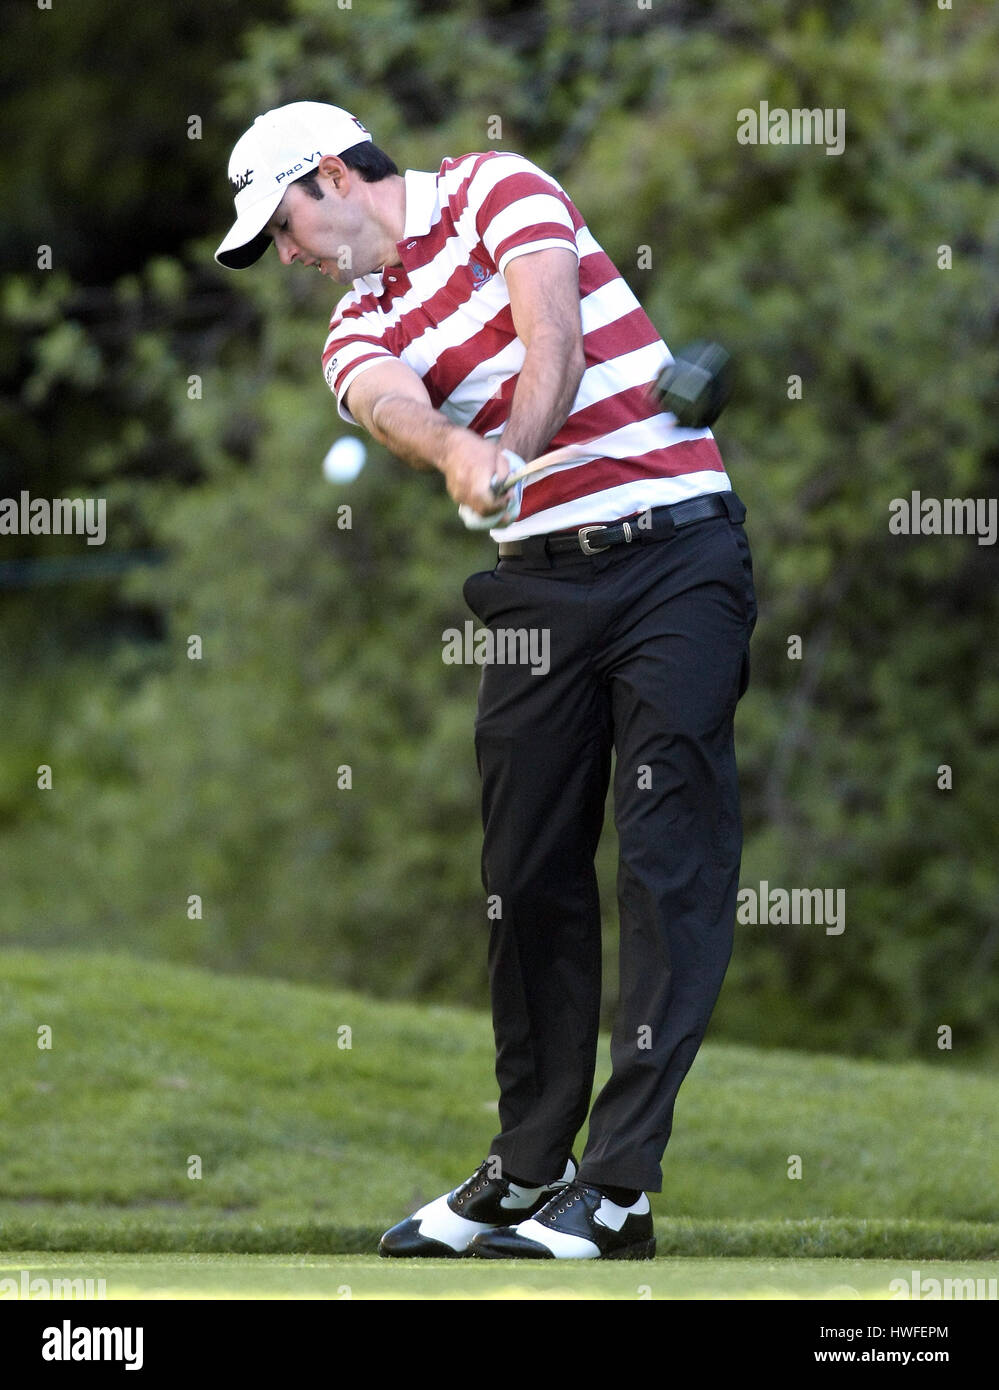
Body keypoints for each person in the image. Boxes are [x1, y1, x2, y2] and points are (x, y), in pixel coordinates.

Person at [216, 101, 757, 1261]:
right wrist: (458, 452)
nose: (291, 257)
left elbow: (549, 331)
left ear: (332, 175)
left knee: (667, 855)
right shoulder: (352, 324)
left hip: (676, 560)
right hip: (536, 594)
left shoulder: (492, 188)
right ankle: (527, 1164)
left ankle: (614, 1191)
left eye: (287, 228)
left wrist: (509, 435)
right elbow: (388, 401)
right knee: (524, 871)